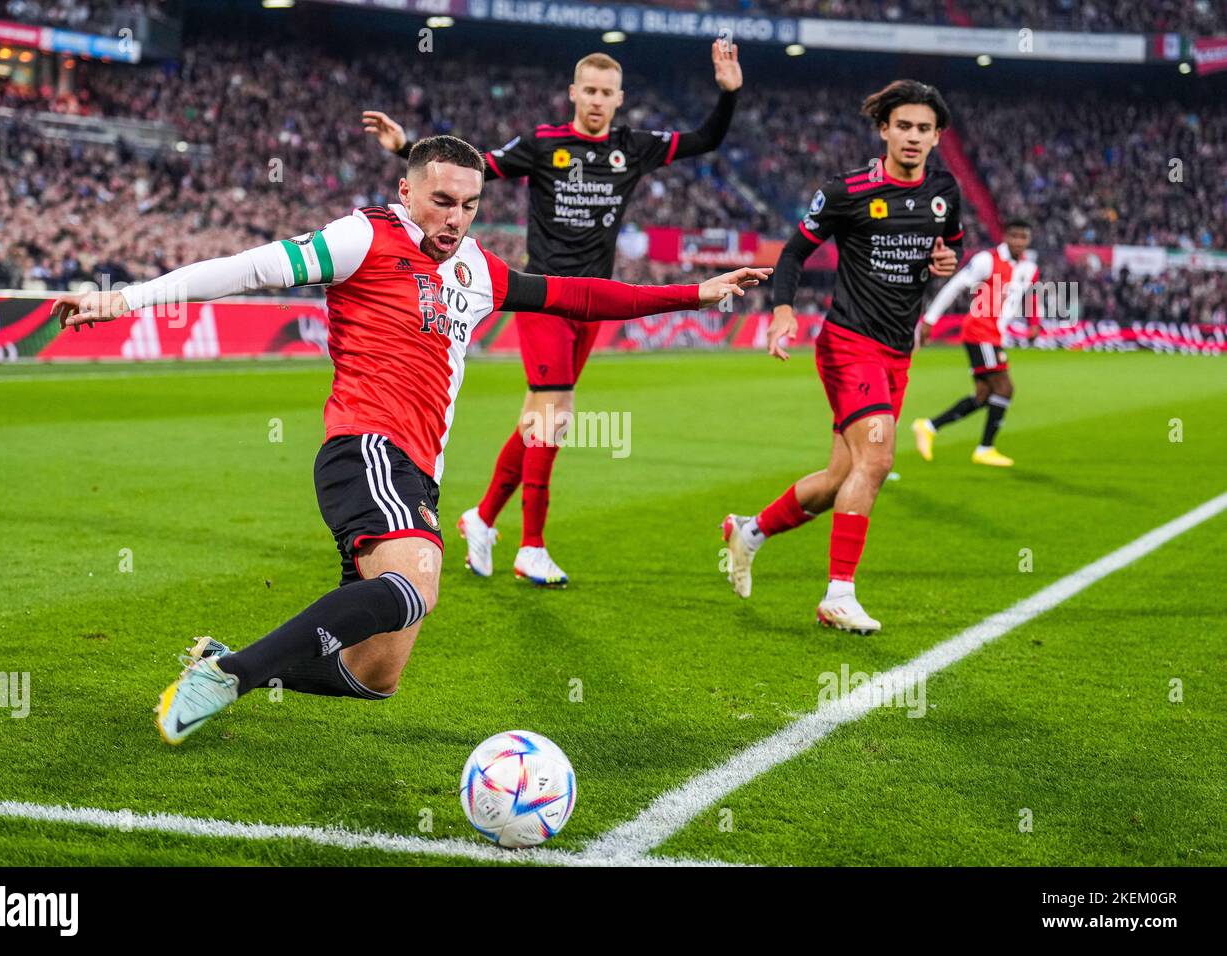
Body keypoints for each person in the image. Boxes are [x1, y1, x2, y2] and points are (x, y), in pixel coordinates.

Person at [50, 135, 769, 744]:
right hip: (364, 446)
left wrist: (695, 291)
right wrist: (126, 298)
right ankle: (227, 678)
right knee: (416, 584)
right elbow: (249, 268)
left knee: (376, 673)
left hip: (416, 472)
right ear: (406, 189)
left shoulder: (477, 269)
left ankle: (235, 658)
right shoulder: (364, 236)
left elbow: (575, 294)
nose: (455, 218)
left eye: (469, 205)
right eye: (441, 201)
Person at [363, 40, 742, 587]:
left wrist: (729, 94)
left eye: (606, 93)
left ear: (619, 99)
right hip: (543, 294)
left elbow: (706, 139)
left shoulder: (631, 147)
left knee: (538, 420)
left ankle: (483, 518)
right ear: (573, 93)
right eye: (587, 90)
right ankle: (532, 547)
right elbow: (475, 168)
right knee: (555, 415)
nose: (596, 100)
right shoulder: (543, 145)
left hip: (594, 300)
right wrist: (407, 148)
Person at [720, 80, 964, 635]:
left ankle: (749, 530)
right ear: (884, 129)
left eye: (923, 128)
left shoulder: (945, 189)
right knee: (876, 460)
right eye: (903, 125)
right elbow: (794, 252)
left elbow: (951, 244)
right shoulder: (848, 190)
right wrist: (782, 312)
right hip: (849, 344)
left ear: (937, 136)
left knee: (839, 479)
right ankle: (838, 595)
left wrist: (946, 260)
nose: (912, 136)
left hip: (898, 351)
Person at [912, 219, 1039, 467]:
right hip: (981, 330)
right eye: (1014, 236)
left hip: (994, 334)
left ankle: (928, 427)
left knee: (983, 395)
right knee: (1004, 388)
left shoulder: (1029, 268)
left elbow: (1030, 295)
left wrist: (1034, 322)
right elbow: (955, 285)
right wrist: (930, 319)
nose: (1018, 241)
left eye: (1023, 237)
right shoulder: (987, 260)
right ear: (1005, 236)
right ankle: (985, 448)